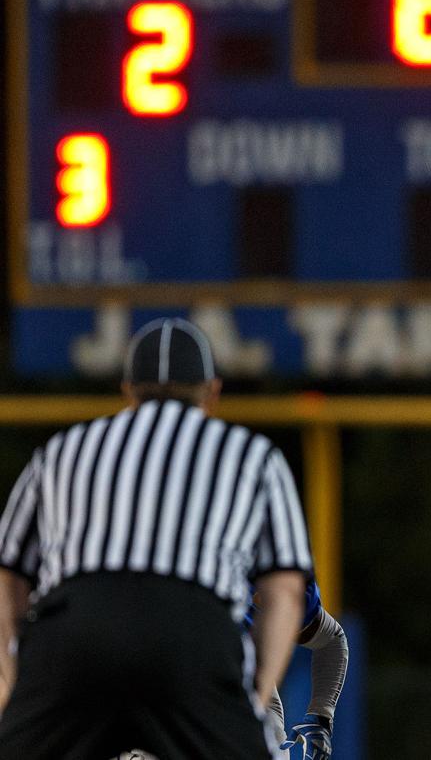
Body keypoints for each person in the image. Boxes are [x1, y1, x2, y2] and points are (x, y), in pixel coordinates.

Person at [0, 317, 312, 760]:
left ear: (128, 391)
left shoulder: (63, 448)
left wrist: (20, 678)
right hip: (190, 635)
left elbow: (7, 574)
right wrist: (254, 698)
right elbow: (284, 591)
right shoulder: (253, 454)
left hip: (75, 634)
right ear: (213, 392)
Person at [246, 579, 349, 759]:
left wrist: (321, 717)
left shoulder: (282, 578)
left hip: (246, 691)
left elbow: (330, 641)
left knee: (270, 733)